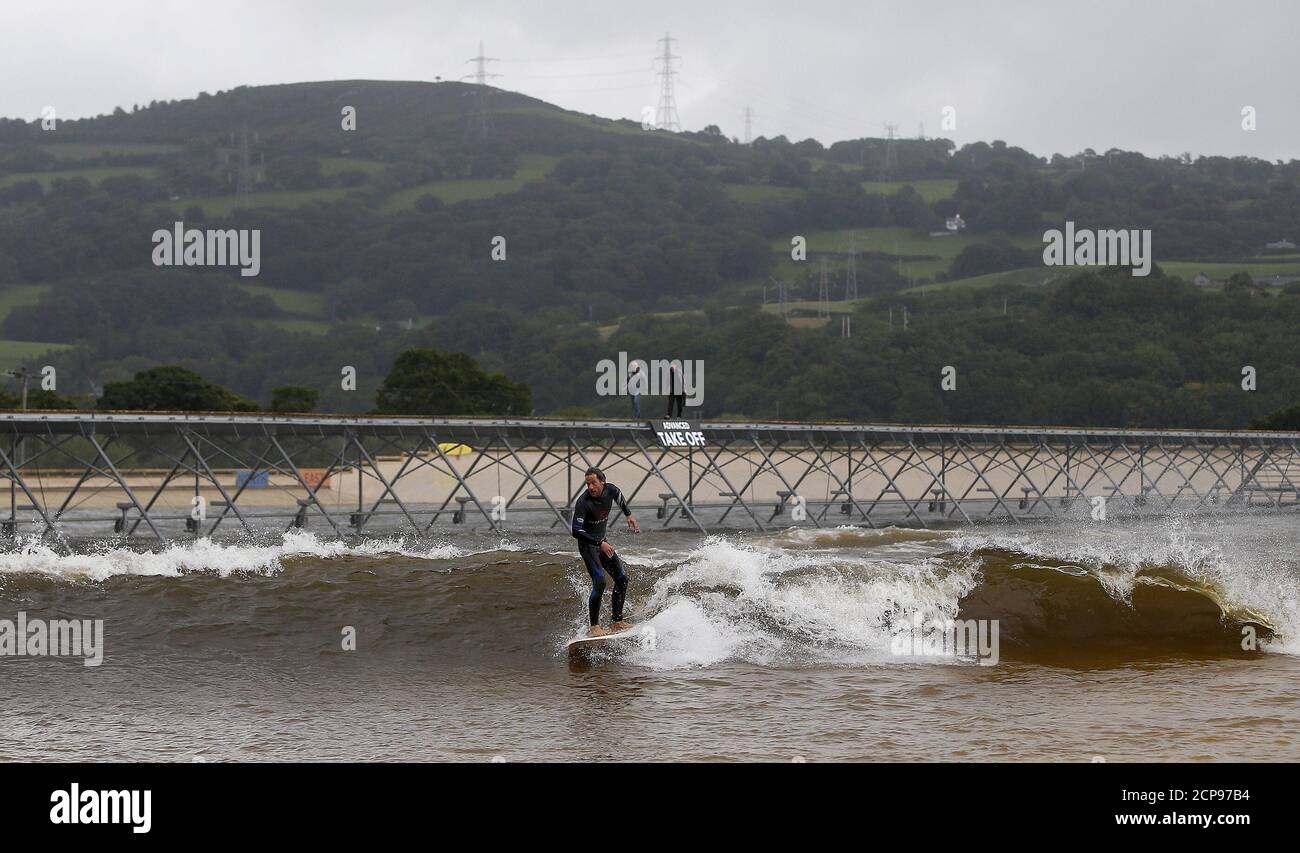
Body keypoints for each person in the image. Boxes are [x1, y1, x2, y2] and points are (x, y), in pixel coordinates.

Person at [571, 466, 640, 636]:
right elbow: (576, 530)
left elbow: (620, 497)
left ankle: (617, 622)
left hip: (602, 544)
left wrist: (628, 515)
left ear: (603, 481)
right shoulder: (583, 502)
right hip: (588, 546)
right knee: (600, 581)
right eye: (587, 484)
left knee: (622, 578)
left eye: (593, 483)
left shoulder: (611, 490)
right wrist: (599, 542)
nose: (590, 487)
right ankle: (594, 627)